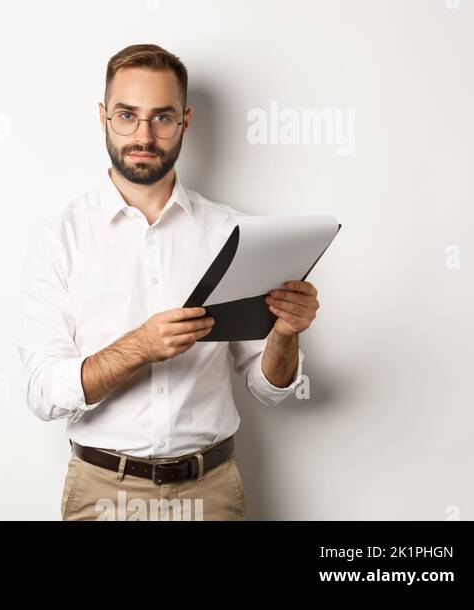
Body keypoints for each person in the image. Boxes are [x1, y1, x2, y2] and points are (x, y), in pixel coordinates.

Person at [17, 44, 320, 521]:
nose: (143, 134)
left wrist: (286, 333)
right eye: (126, 115)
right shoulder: (59, 237)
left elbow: (269, 389)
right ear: (103, 117)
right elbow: (42, 392)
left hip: (212, 491)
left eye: (161, 117)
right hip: (102, 492)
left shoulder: (231, 234)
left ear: (185, 121)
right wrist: (139, 347)